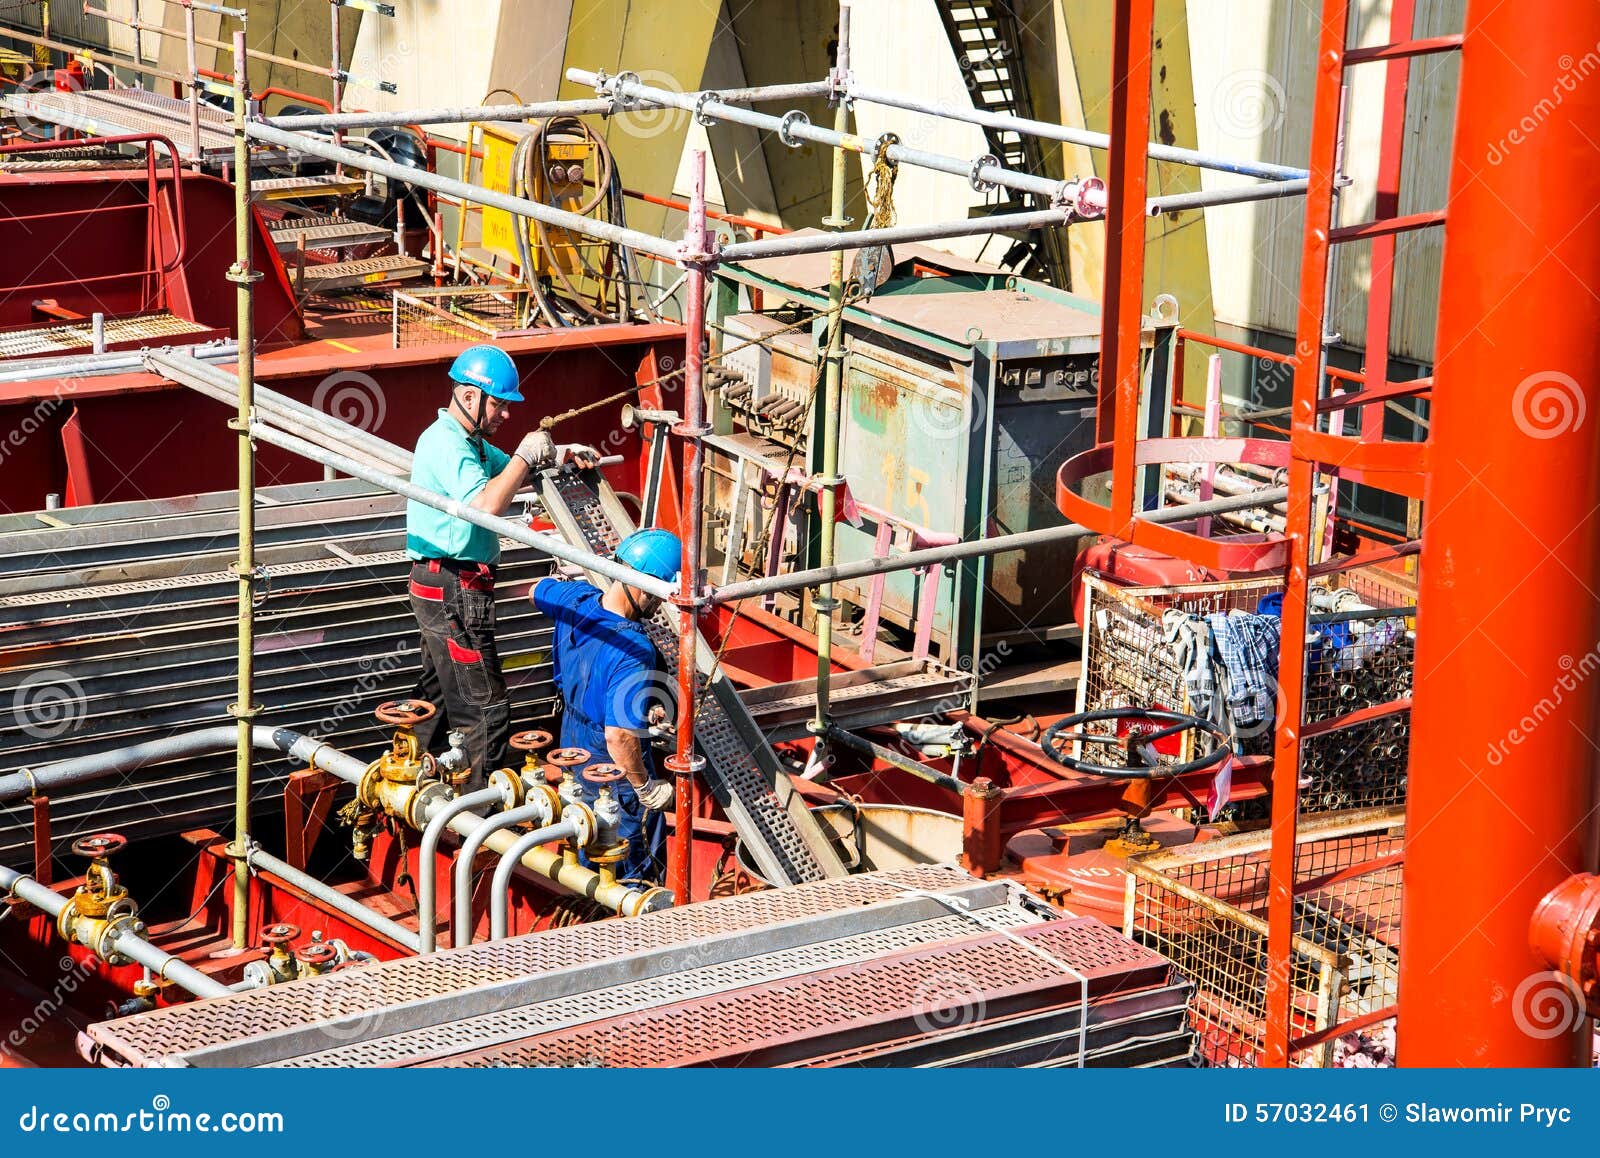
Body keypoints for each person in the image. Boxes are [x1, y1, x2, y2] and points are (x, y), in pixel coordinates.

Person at [406, 343, 576, 781]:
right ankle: (479, 828)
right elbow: (486, 505)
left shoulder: (471, 443)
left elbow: (513, 473)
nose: (505, 414)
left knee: (437, 699)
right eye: (498, 404)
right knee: (486, 713)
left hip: (448, 586)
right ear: (469, 398)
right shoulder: (447, 444)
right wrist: (524, 453)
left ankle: (413, 778)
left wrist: (562, 453)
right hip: (453, 590)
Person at [530, 528, 683, 883]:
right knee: (626, 859)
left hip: (573, 744)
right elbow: (618, 737)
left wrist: (640, 707)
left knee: (580, 834)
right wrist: (645, 787)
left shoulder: (576, 599)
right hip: (611, 768)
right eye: (659, 594)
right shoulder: (634, 650)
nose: (660, 605)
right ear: (644, 585)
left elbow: (535, 590)